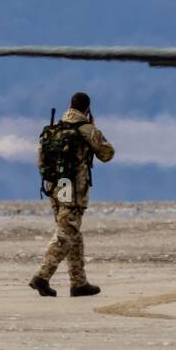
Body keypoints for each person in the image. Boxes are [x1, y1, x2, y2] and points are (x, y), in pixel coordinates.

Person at [29, 92, 115, 297]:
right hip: (73, 189)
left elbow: (40, 159)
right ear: (87, 109)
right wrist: (93, 128)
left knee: (72, 232)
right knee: (67, 232)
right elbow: (107, 154)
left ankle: (79, 282)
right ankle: (41, 277)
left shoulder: (54, 129)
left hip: (54, 186)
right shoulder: (86, 130)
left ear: (70, 105)